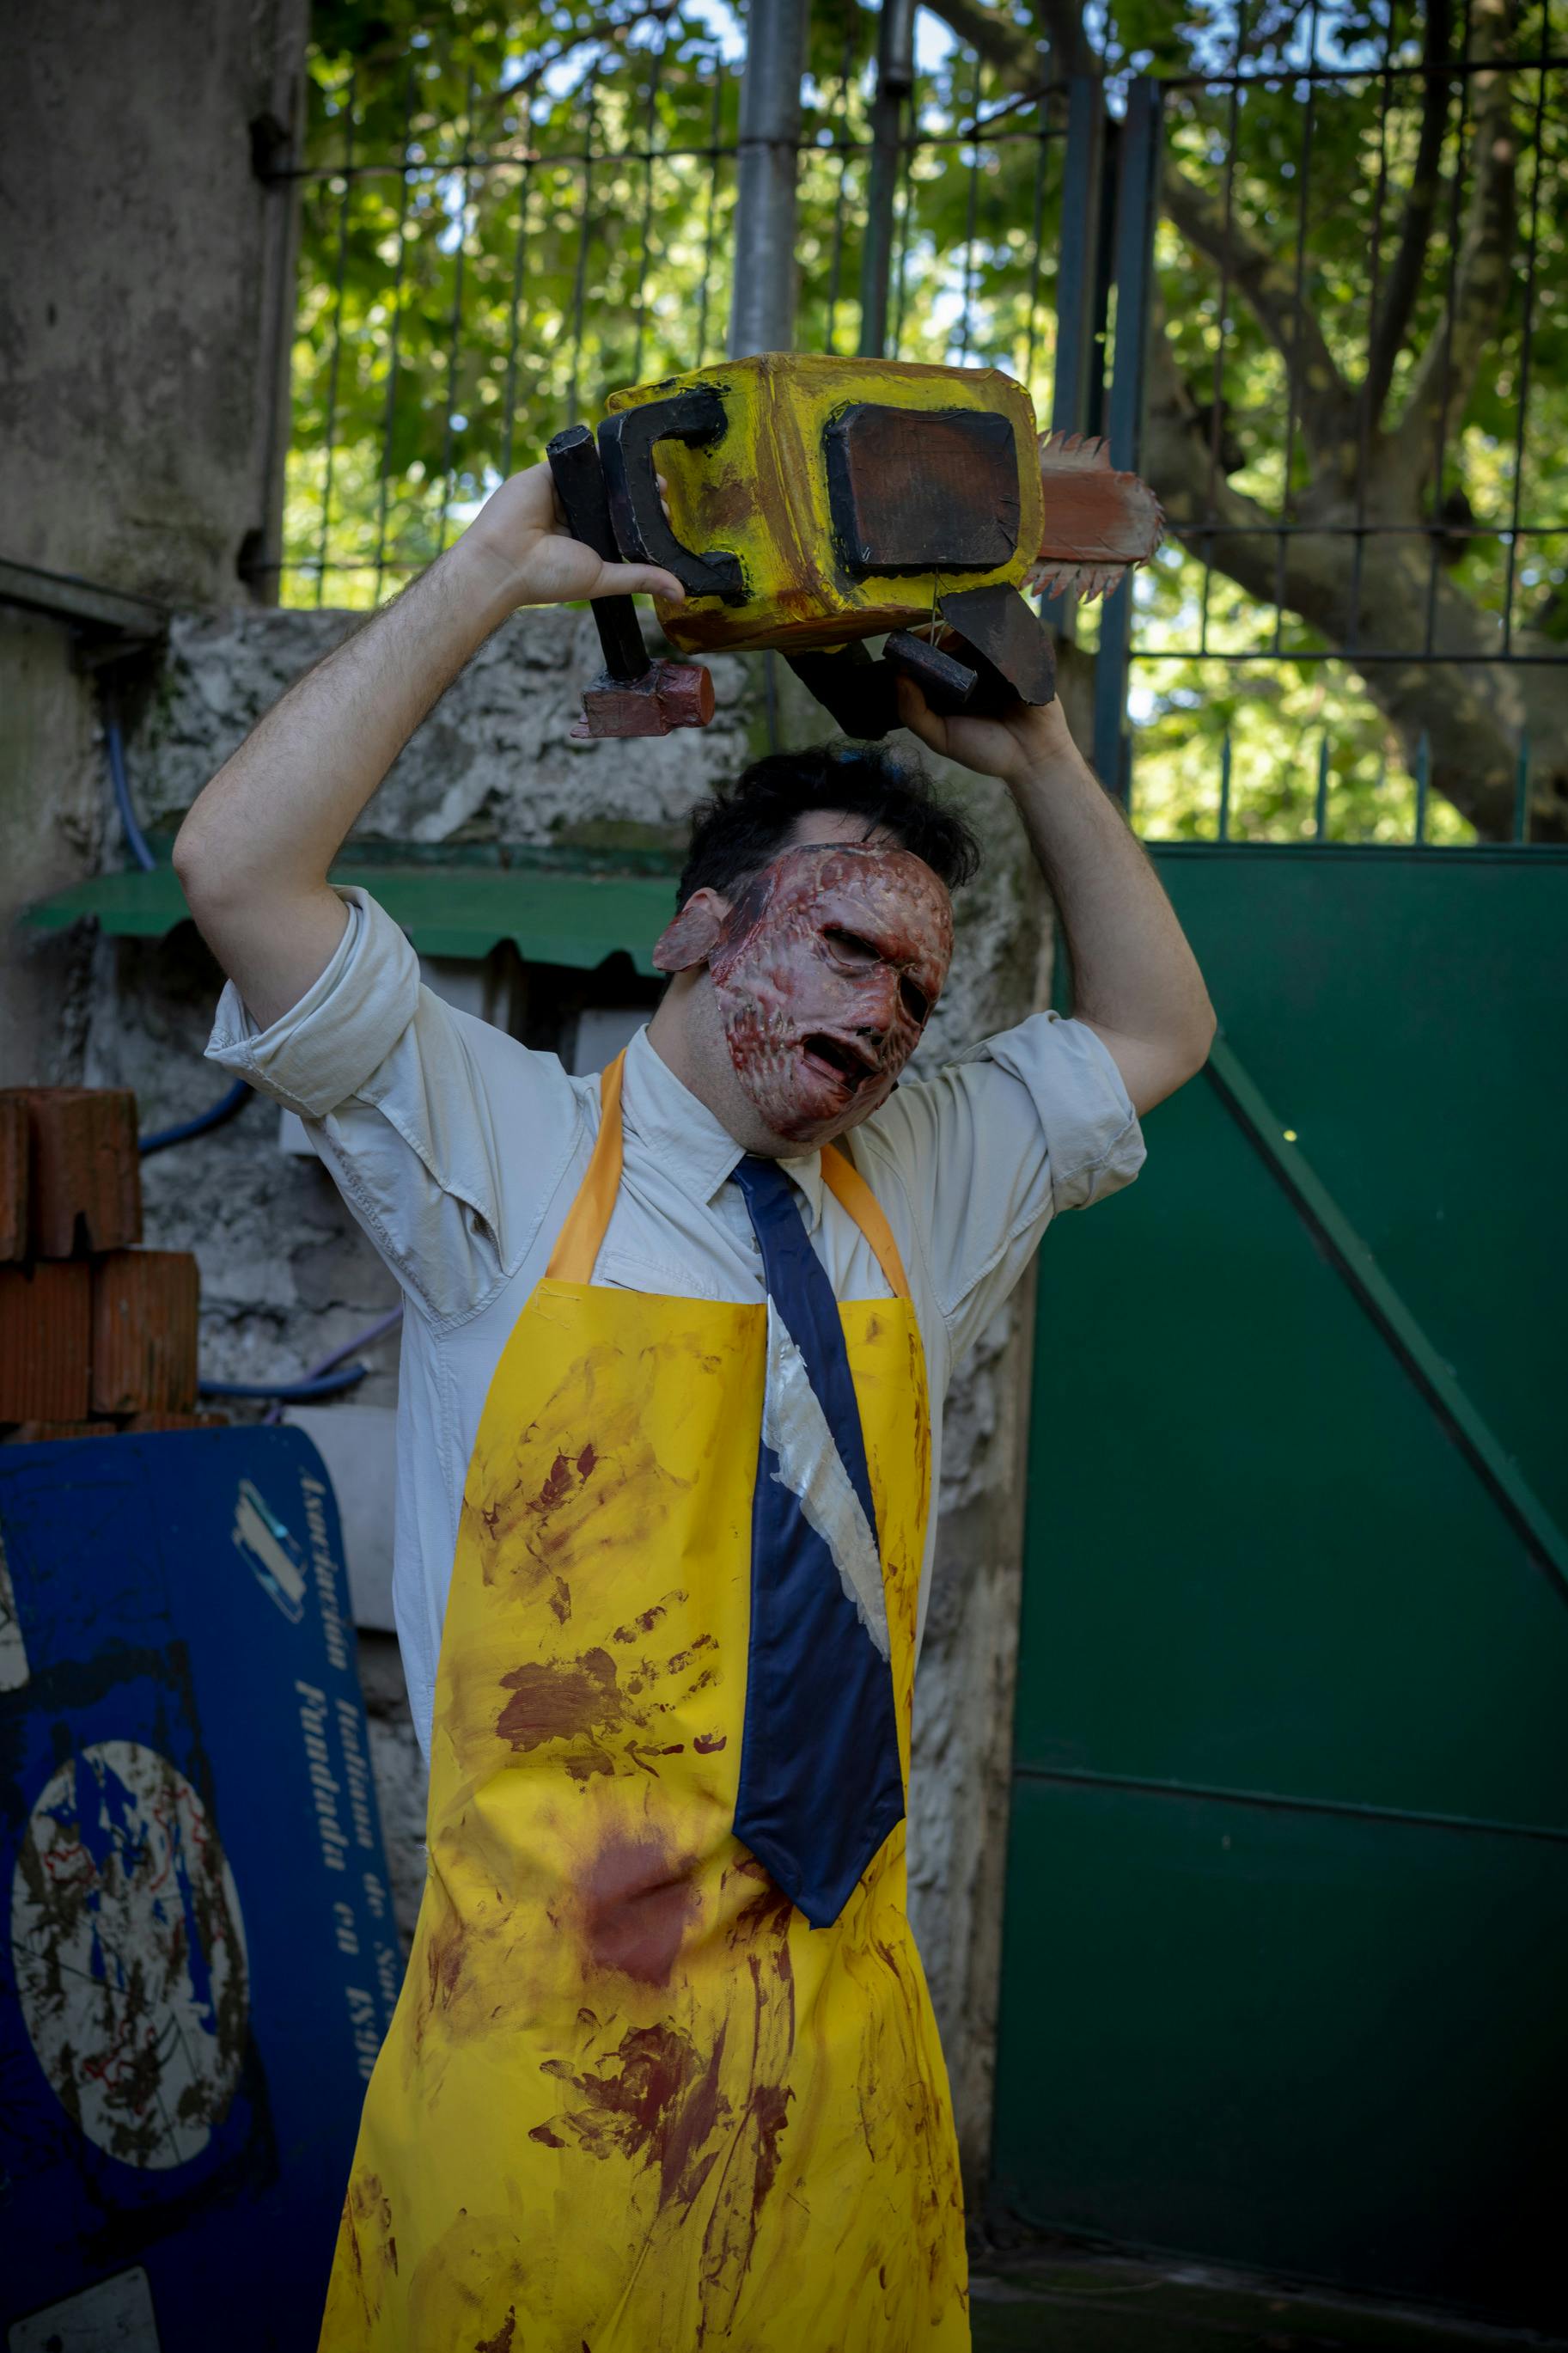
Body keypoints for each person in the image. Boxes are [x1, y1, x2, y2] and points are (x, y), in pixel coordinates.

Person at [175, 460, 1214, 2351]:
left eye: (920, 981)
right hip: (547, 2054)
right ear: (694, 932)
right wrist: (495, 568)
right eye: (844, 945)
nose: (894, 1011)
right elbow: (240, 870)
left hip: (840, 2046)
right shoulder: (488, 1138)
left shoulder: (925, 1172)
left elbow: (1156, 1031)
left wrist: (1041, 753)